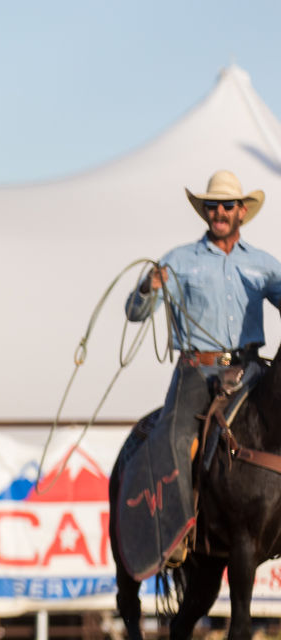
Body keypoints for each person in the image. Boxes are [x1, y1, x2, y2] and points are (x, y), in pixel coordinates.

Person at [120, 170, 276, 575]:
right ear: (205, 211)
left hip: (250, 368)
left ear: (242, 211)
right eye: (212, 205)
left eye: (226, 205)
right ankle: (179, 530)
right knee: (174, 436)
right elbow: (136, 314)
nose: (219, 212)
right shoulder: (178, 260)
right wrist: (149, 287)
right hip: (197, 370)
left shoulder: (263, 265)